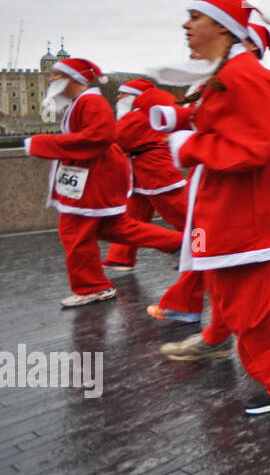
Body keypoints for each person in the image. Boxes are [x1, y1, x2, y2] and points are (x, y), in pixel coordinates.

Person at [146, 0, 270, 414]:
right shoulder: (229, 72)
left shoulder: (241, 74)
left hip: (242, 210)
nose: (186, 26)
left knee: (249, 303)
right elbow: (234, 124)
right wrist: (179, 119)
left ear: (224, 28)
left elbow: (260, 142)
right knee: (237, 299)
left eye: (195, 18)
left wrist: (187, 144)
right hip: (229, 206)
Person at [24, 58, 183, 307]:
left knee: (75, 232)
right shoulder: (82, 102)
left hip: (106, 177)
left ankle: (93, 286)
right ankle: (180, 244)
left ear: (72, 79)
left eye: (56, 74)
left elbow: (102, 137)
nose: (51, 79)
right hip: (118, 174)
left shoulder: (92, 102)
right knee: (113, 227)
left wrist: (40, 143)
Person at [102, 78, 189, 271]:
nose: (118, 97)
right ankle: (120, 257)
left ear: (134, 97)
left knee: (180, 213)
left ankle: (204, 248)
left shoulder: (138, 116)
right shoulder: (147, 113)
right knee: (133, 215)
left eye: (122, 94)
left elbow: (115, 137)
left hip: (154, 171)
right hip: (144, 170)